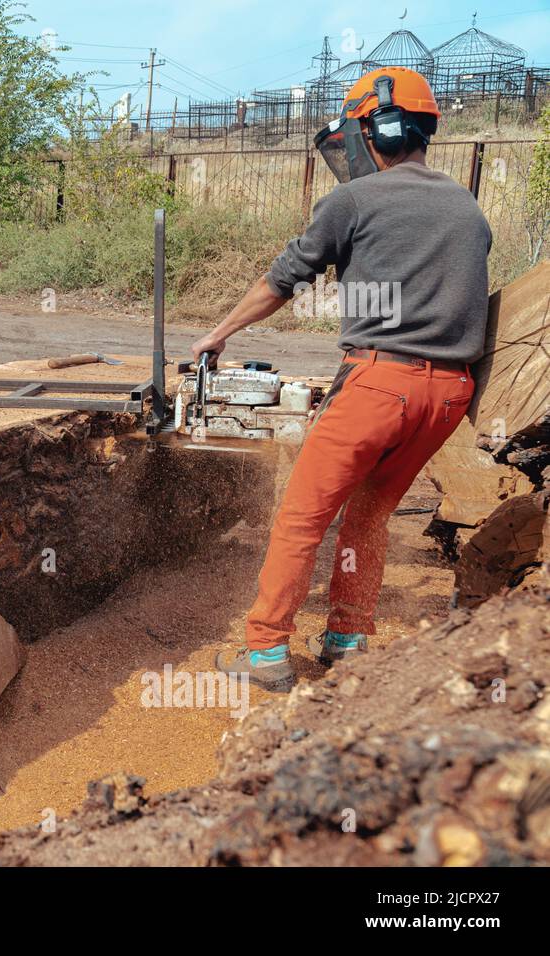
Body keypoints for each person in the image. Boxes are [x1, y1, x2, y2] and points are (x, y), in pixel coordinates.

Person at [194, 67, 492, 691]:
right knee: (371, 513)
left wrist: (217, 335)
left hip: (381, 385)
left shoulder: (353, 201)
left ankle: (266, 651)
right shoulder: (465, 205)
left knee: (301, 517)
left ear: (371, 131)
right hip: (448, 396)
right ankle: (349, 637)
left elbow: (281, 283)